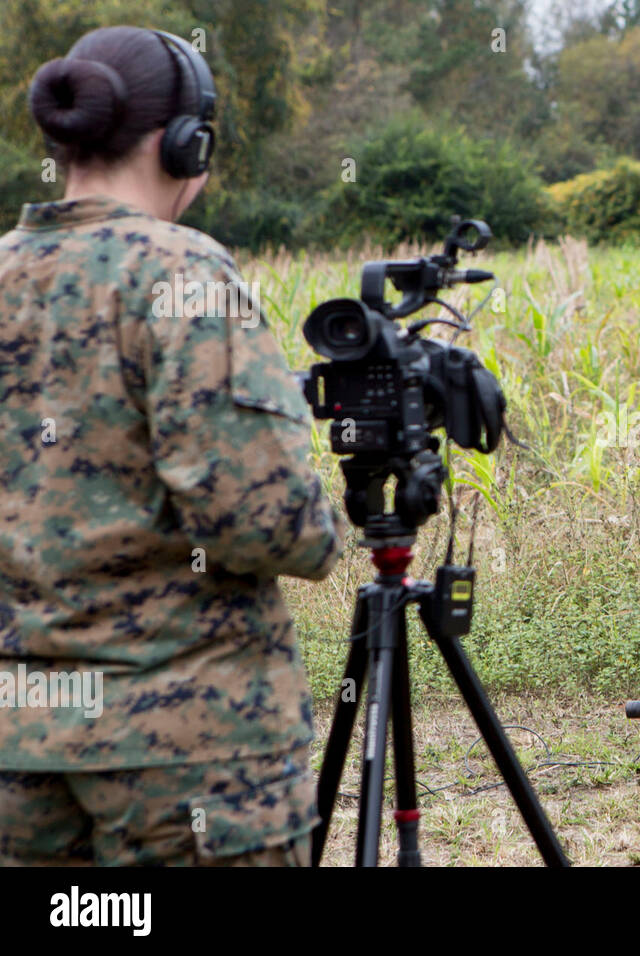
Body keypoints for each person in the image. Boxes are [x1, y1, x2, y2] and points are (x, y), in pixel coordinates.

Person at [0, 26, 348, 865]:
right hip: (187, 754)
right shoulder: (183, 274)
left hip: (21, 751)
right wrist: (332, 523)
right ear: (185, 141)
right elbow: (259, 521)